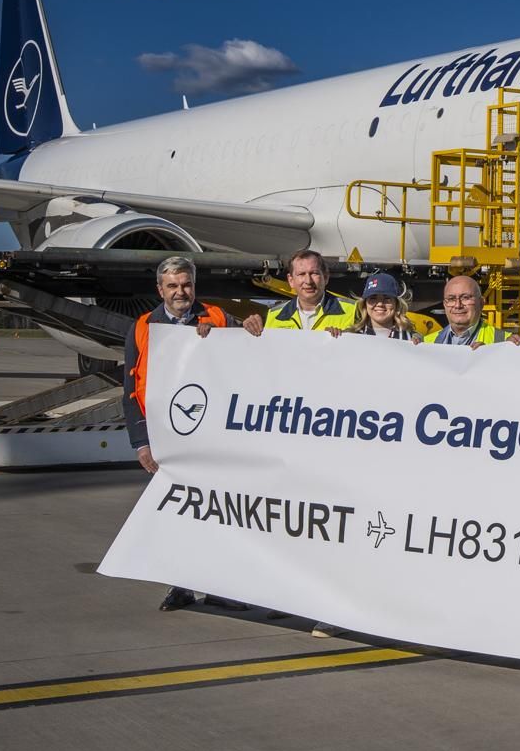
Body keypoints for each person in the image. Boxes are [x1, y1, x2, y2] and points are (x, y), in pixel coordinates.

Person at [121, 255, 232, 612]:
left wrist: (250, 325)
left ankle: (218, 586)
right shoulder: (143, 327)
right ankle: (180, 585)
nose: (180, 292)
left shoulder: (217, 318)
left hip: (210, 436)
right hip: (166, 438)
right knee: (176, 515)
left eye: (186, 284)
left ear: (194, 286)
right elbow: (130, 389)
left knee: (216, 513)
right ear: (160, 290)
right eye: (172, 286)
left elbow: (250, 349)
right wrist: (141, 443)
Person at [243, 248, 357, 335]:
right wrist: (251, 328)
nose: (308, 281)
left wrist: (341, 340)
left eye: (314, 273)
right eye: (301, 274)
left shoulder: (352, 311)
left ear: (326, 277)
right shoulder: (275, 316)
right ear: (291, 280)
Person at [421, 275, 505, 346]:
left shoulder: (505, 342)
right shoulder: (426, 343)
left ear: (481, 303)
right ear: (444, 305)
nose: (458, 305)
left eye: (465, 298)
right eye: (451, 299)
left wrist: (491, 354)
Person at [349, 272, 420, 341]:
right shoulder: (350, 337)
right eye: (373, 298)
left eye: (387, 298)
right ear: (365, 304)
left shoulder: (411, 339)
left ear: (397, 304)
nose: (380, 304)